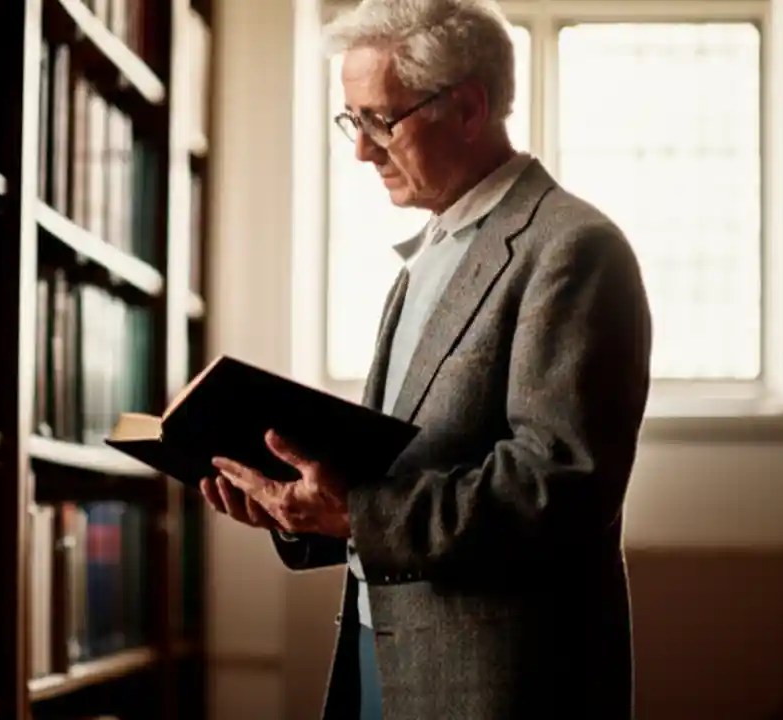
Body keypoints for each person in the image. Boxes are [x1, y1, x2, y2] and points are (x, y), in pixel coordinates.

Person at [200, 0, 652, 717]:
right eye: (353, 121)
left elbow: (559, 487)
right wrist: (298, 509)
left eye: (382, 120)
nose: (361, 150)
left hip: (501, 682)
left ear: (468, 108)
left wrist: (356, 512)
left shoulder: (572, 248)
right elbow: (401, 470)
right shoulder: (428, 255)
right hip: (389, 656)